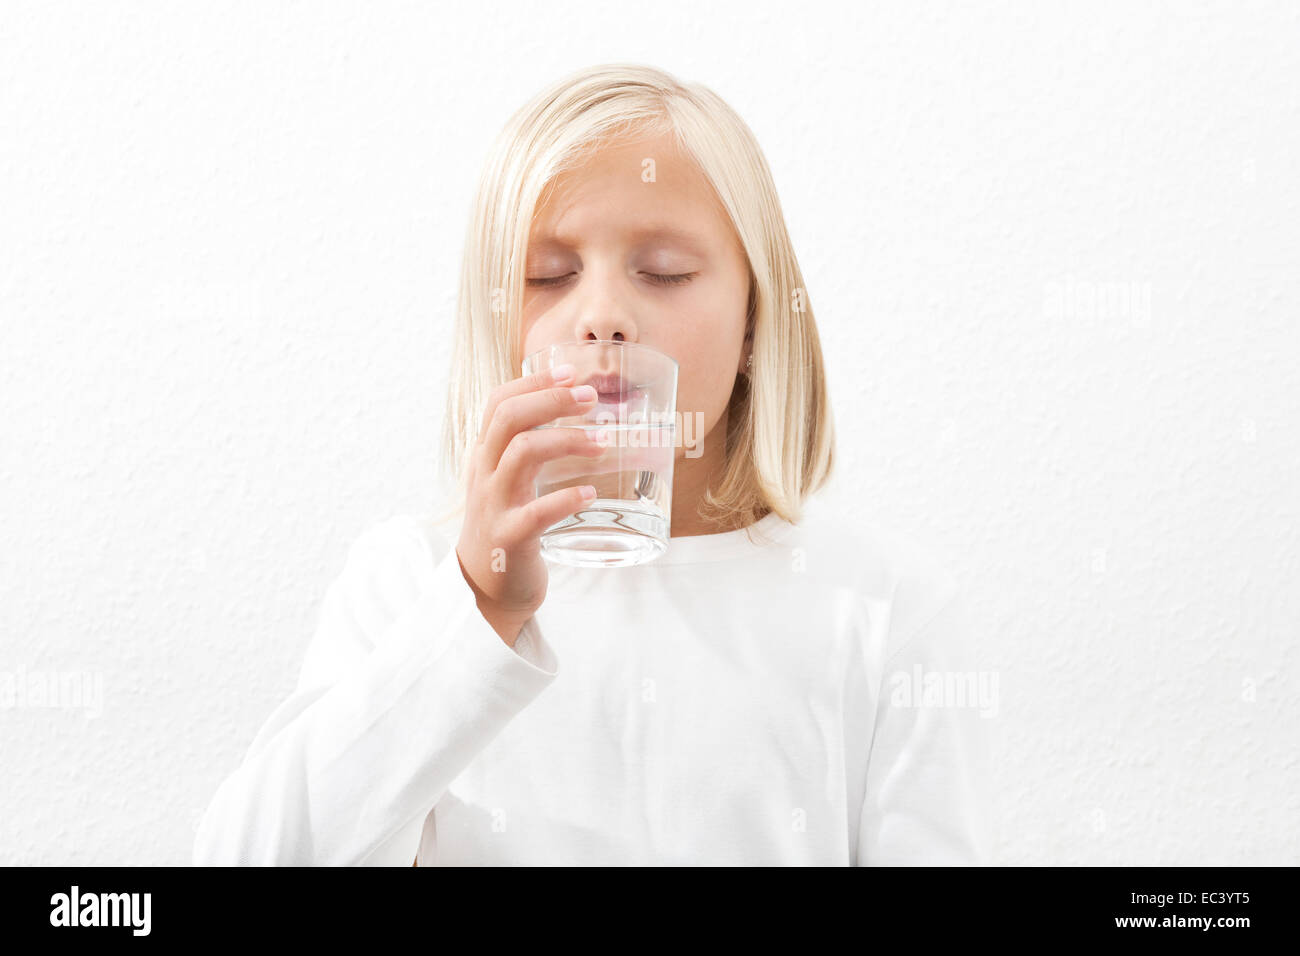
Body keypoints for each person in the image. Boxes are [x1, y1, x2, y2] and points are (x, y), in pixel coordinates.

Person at [192, 63, 993, 866]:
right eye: (549, 275)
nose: (604, 317)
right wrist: (475, 609)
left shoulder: (885, 611)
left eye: (665, 272)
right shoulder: (408, 584)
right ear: (500, 326)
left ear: (756, 320)